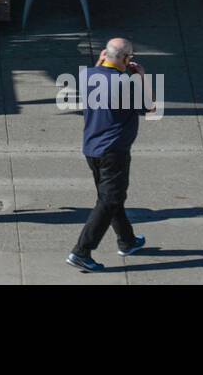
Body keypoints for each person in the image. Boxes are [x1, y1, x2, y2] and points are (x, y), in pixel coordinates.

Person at [66, 37, 153, 272]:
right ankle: (81, 251)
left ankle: (127, 241)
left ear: (104, 54)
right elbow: (150, 107)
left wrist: (104, 61)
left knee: (111, 197)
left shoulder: (87, 75)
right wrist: (141, 76)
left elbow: (100, 71)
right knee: (109, 200)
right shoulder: (125, 84)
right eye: (130, 58)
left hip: (92, 148)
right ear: (126, 59)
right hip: (113, 151)